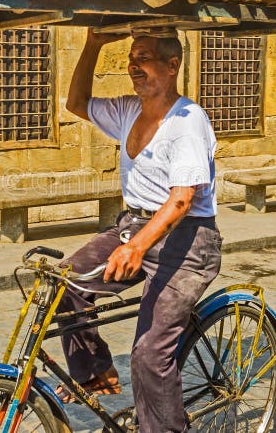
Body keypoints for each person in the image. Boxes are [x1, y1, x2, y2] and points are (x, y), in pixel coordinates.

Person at [56, 27, 222, 432]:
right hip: (135, 225)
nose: (134, 66)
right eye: (132, 57)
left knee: (149, 355)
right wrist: (93, 43)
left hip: (188, 240)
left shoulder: (187, 120)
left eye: (144, 57)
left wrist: (136, 248)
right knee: (66, 283)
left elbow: (182, 199)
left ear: (172, 66)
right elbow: (76, 103)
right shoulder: (130, 110)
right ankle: (95, 372)